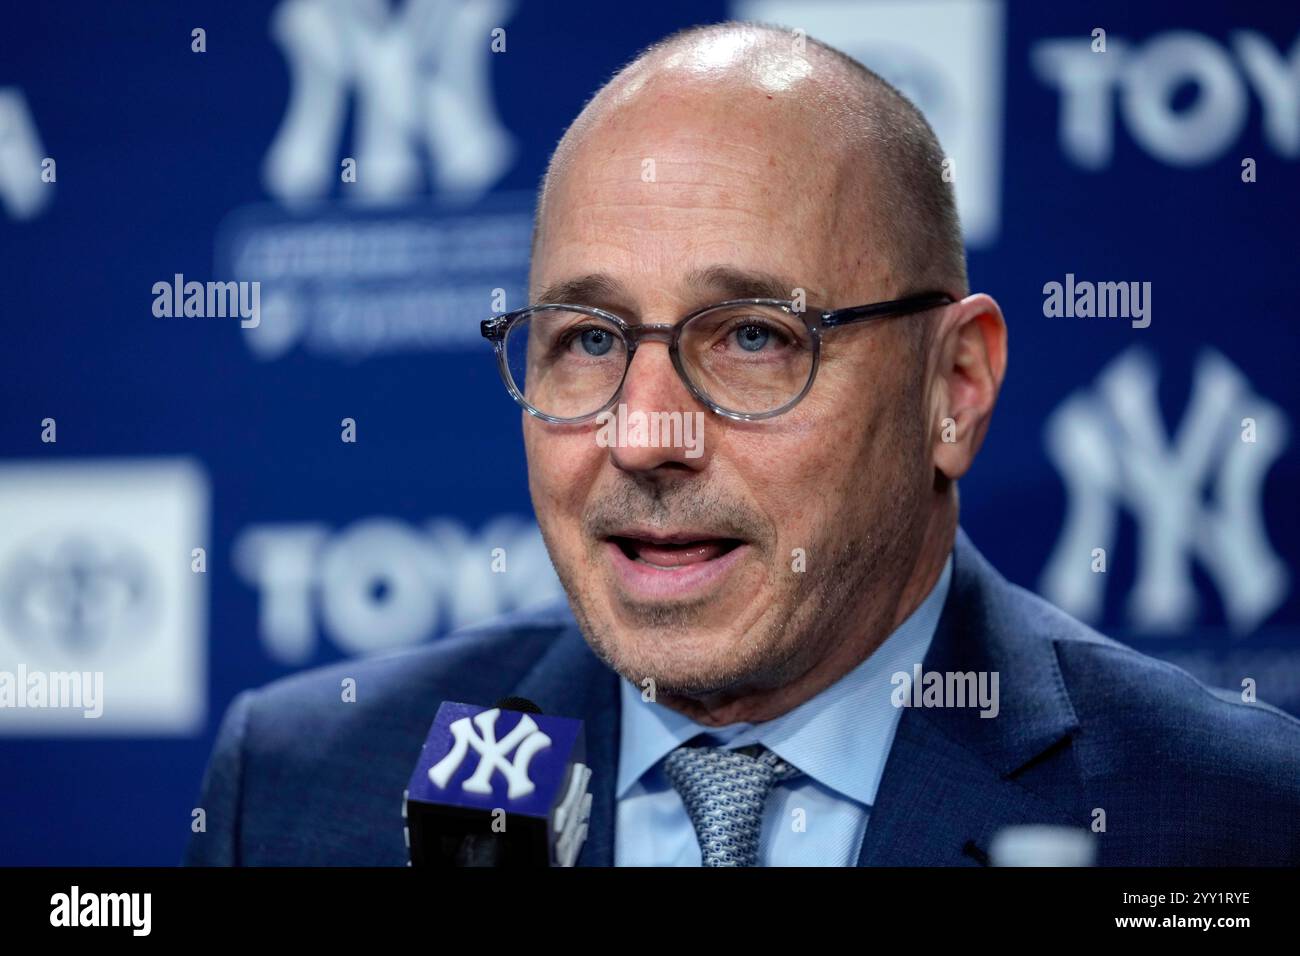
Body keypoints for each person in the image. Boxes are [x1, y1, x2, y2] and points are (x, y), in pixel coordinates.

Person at [186, 21, 1300, 867]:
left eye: (755, 336)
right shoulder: (299, 793)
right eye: (585, 337)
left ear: (954, 388)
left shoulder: (1227, 816)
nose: (643, 434)